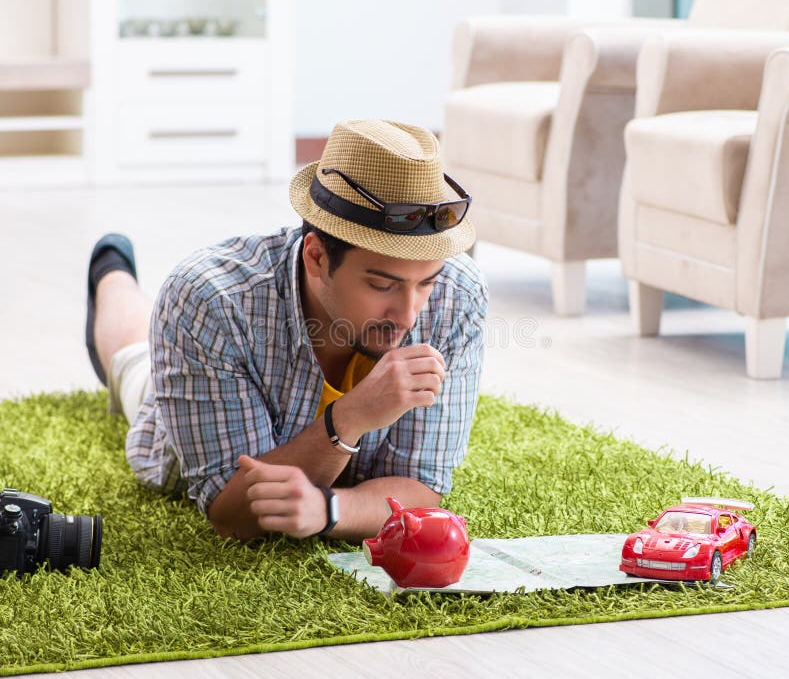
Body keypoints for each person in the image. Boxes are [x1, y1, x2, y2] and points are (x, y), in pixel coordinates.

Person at [85, 119, 487, 542]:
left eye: (426, 282)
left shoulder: (457, 293)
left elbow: (421, 489)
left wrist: (328, 509)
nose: (408, 314)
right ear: (316, 258)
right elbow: (232, 513)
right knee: (134, 364)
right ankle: (111, 274)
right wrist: (348, 419)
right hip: (183, 406)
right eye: (382, 284)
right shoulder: (212, 301)